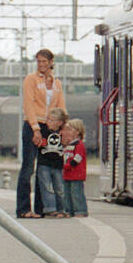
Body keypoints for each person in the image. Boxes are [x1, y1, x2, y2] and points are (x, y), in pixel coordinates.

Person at [18, 49, 64, 219]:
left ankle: (41, 208)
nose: (41, 64)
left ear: (51, 62)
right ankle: (23, 208)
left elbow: (60, 106)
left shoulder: (57, 83)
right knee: (28, 167)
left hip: (49, 127)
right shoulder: (31, 79)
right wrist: (35, 128)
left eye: (44, 61)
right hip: (32, 125)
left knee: (43, 169)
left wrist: (62, 127)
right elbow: (28, 105)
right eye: (39, 61)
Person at [36, 107, 68, 218]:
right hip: (44, 164)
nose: (48, 122)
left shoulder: (62, 133)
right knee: (47, 187)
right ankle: (50, 209)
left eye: (52, 120)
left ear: (59, 123)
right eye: (48, 119)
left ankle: (62, 209)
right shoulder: (43, 131)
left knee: (60, 188)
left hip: (58, 164)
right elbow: (38, 142)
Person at [61, 118, 88, 218]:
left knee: (76, 193)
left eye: (70, 129)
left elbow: (78, 158)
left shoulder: (79, 145)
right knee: (66, 194)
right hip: (67, 174)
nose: (67, 132)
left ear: (78, 132)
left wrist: (68, 166)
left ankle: (80, 210)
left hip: (76, 174)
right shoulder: (67, 145)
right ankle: (69, 210)